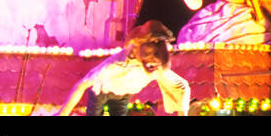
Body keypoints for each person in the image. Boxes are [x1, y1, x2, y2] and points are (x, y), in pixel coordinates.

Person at [57, 21, 190, 116]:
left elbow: (182, 86)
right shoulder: (115, 64)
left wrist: (182, 112)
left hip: (123, 94)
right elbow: (81, 85)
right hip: (101, 90)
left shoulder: (157, 68)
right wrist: (63, 113)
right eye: (149, 63)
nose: (152, 67)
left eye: (154, 64)